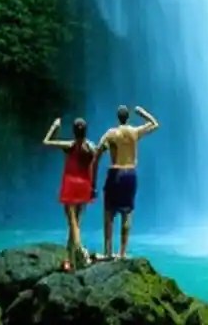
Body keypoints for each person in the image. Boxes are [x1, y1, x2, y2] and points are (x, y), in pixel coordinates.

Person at [91, 105, 159, 259]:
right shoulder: (134, 132)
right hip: (130, 173)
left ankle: (108, 252)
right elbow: (155, 124)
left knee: (109, 213)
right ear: (128, 118)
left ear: (117, 118)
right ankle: (122, 253)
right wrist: (142, 113)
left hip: (115, 172)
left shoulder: (111, 133)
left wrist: (93, 180)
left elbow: (97, 152)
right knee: (127, 213)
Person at [43, 116, 95, 271]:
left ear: (73, 132)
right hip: (84, 186)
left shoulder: (70, 146)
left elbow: (47, 142)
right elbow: (98, 157)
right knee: (76, 223)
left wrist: (54, 126)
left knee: (73, 224)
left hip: (70, 186)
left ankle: (81, 253)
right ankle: (69, 260)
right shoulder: (91, 147)